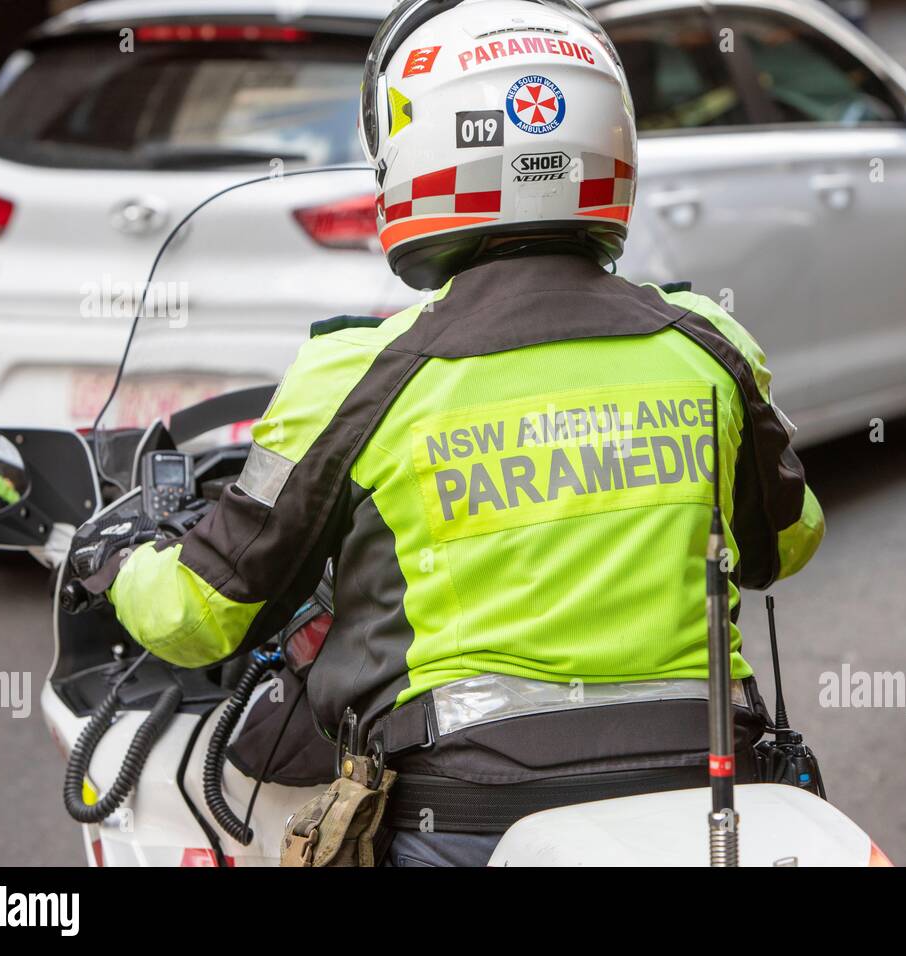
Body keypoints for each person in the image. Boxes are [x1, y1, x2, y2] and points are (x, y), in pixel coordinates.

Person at [77, 0, 824, 867]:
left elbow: (198, 618)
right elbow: (787, 542)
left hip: (466, 822)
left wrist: (118, 558)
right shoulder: (707, 343)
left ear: (418, 156)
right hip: (711, 797)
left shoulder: (360, 373)